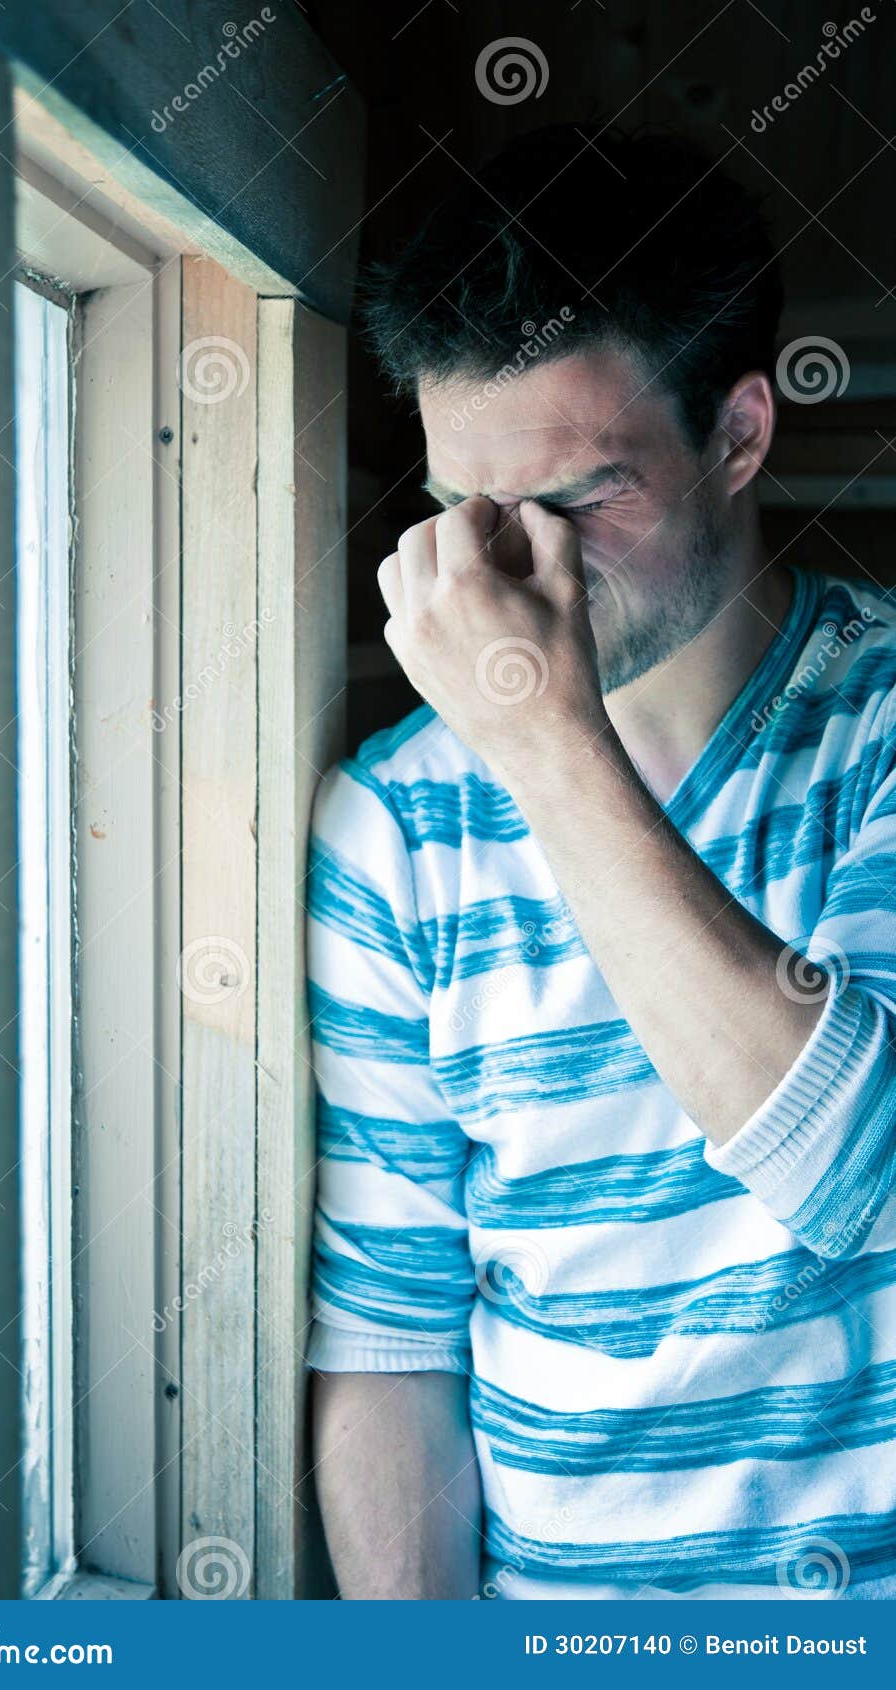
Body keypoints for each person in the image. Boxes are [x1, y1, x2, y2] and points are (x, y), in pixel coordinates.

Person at [304, 123, 896, 1600]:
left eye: (578, 502)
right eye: (467, 509)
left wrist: (542, 738)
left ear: (741, 434)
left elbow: (858, 1171)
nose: (518, 572)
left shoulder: (880, 730)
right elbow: (391, 1347)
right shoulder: (394, 830)